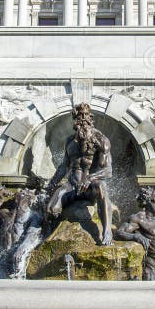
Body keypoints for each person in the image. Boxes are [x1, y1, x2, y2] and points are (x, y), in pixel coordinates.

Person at [47, 103, 114, 245]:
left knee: (101, 187)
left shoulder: (101, 140)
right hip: (72, 186)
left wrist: (90, 178)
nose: (81, 119)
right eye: (78, 117)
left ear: (91, 118)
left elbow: (108, 171)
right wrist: (51, 185)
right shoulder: (70, 141)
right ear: (74, 119)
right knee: (51, 209)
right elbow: (64, 166)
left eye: (84, 116)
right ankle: (47, 237)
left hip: (91, 188)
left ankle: (107, 231)